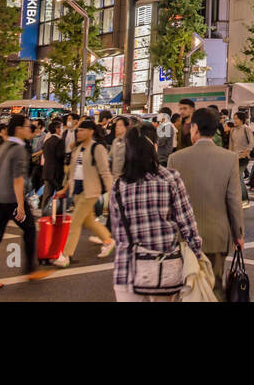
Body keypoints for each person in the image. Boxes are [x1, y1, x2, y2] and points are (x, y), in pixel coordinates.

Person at [110, 124, 204, 302]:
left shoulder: (118, 186)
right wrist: (196, 255)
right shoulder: (170, 178)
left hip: (127, 270)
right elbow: (187, 224)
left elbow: (118, 231)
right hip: (164, 269)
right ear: (154, 146)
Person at [167, 108, 243, 297]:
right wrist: (238, 234)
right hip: (216, 235)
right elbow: (234, 200)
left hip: (183, 238)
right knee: (214, 287)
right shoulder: (229, 158)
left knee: (186, 288)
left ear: (195, 128)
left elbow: (169, 202)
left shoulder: (175, 159)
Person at [0, 114, 49, 291]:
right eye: (26, 126)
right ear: (18, 129)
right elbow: (17, 179)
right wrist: (21, 205)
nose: (29, 129)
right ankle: (31, 270)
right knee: (30, 229)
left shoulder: (3, 146)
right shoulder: (19, 149)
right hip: (12, 200)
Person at [51, 119, 115, 267]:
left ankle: (66, 255)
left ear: (91, 132)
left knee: (75, 222)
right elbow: (73, 173)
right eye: (78, 130)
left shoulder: (97, 148)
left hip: (90, 191)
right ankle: (108, 240)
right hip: (77, 191)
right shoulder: (78, 149)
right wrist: (65, 189)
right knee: (89, 221)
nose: (78, 133)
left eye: (82, 130)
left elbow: (105, 172)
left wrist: (111, 192)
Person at [38, 119, 65, 206]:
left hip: (47, 171)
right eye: (61, 128)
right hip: (56, 172)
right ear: (57, 129)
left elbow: (45, 155)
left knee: (47, 195)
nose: (62, 130)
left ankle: (44, 213)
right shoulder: (59, 141)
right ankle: (58, 213)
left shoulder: (47, 141)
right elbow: (60, 156)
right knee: (60, 194)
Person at [228, 110, 254, 198]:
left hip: (243, 157)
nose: (234, 120)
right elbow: (231, 145)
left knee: (238, 176)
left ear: (241, 119)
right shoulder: (233, 130)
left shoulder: (246, 129)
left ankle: (244, 198)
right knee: (236, 177)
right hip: (234, 157)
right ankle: (239, 197)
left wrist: (246, 152)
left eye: (236, 119)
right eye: (234, 118)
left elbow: (252, 143)